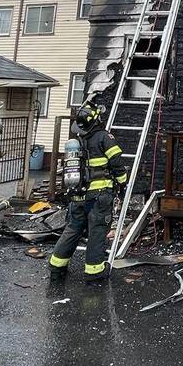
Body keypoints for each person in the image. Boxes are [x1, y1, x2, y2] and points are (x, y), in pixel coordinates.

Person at [48, 101, 129, 282]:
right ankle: (94, 271)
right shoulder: (104, 137)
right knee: (97, 231)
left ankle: (56, 266)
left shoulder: (78, 139)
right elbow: (116, 162)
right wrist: (124, 183)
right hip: (98, 195)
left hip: (78, 194)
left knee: (73, 228)